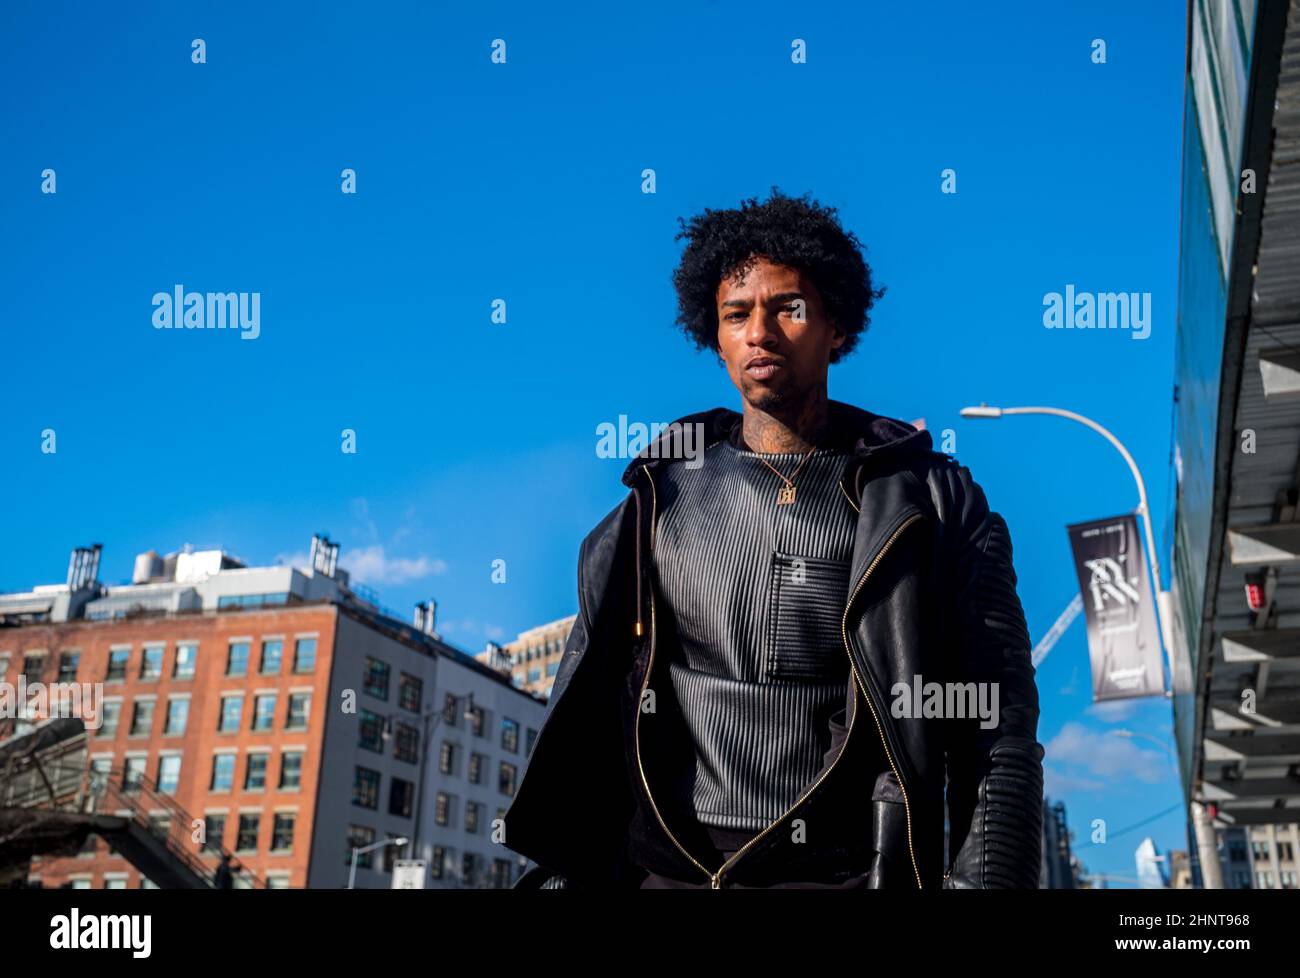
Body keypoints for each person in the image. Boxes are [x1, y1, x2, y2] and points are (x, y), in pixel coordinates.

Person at [504, 188, 1044, 889]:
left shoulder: (935, 503)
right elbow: (584, 724)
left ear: (837, 327)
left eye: (787, 308)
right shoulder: (651, 501)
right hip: (662, 873)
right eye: (736, 314)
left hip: (846, 874)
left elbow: (995, 728)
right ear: (715, 336)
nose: (759, 332)